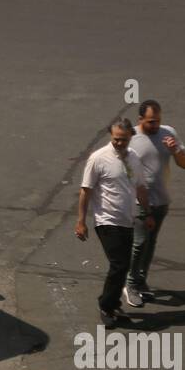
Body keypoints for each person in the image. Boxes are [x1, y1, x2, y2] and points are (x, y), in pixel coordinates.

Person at [76, 119, 154, 328]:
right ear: (111, 136)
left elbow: (141, 188)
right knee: (119, 264)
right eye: (116, 139)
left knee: (122, 265)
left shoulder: (134, 159)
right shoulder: (98, 159)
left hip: (127, 220)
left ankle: (112, 302)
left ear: (131, 138)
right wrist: (81, 221)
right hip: (106, 220)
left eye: (124, 140)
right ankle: (106, 306)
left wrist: (147, 214)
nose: (119, 143)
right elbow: (86, 190)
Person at [125, 100, 185, 306]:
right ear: (140, 119)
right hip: (139, 200)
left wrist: (175, 151)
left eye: (158, 121)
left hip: (161, 200)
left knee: (150, 243)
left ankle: (141, 281)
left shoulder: (168, 132)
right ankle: (131, 284)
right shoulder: (130, 137)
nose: (156, 126)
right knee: (140, 243)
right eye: (151, 122)